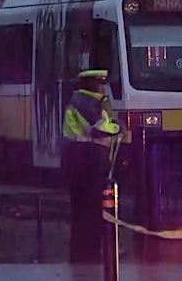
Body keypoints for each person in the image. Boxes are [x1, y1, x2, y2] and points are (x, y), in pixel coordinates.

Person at [61, 69, 122, 263]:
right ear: (89, 84)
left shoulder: (87, 101)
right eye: (100, 83)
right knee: (91, 207)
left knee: (83, 208)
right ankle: (91, 250)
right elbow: (99, 129)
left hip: (82, 160)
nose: (103, 87)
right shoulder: (86, 103)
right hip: (87, 161)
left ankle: (84, 249)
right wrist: (119, 127)